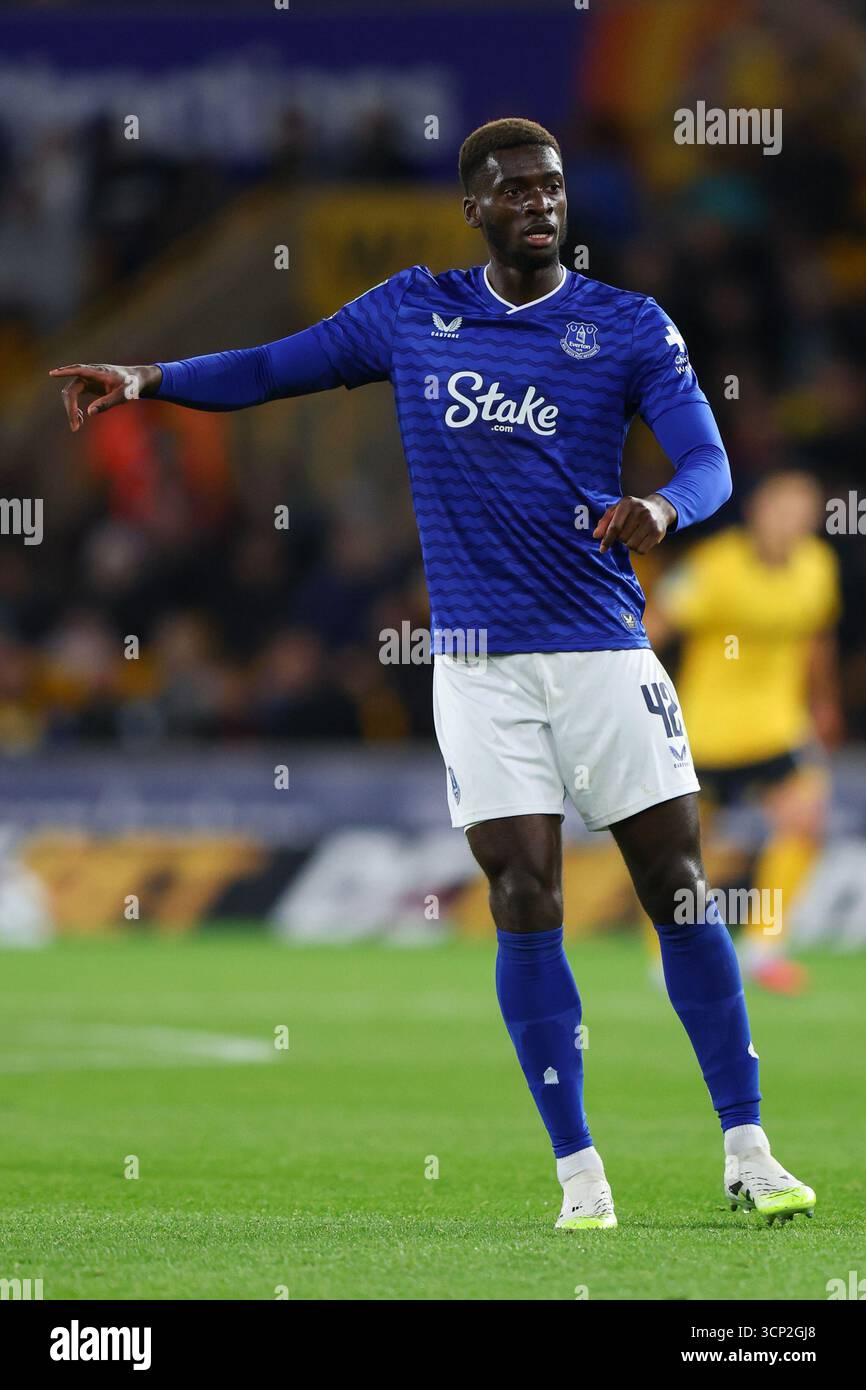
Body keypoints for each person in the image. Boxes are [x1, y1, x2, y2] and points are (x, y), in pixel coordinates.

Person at [50, 117, 815, 1230]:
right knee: (523, 898)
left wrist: (659, 505)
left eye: (551, 187)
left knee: (678, 888)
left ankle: (745, 1148)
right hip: (477, 665)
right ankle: (578, 1176)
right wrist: (148, 375)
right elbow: (271, 368)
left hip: (602, 650)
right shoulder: (412, 310)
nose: (540, 204)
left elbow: (707, 460)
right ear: (473, 208)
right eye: (514, 190)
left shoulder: (625, 324)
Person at [646, 471, 843, 995]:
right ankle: (667, 953)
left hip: (776, 728)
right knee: (679, 849)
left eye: (804, 512)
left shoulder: (817, 568)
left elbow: (816, 637)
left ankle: (763, 947)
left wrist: (822, 703)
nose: (792, 522)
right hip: (706, 730)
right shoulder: (715, 566)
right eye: (783, 508)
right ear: (758, 510)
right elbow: (655, 622)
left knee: (806, 818)